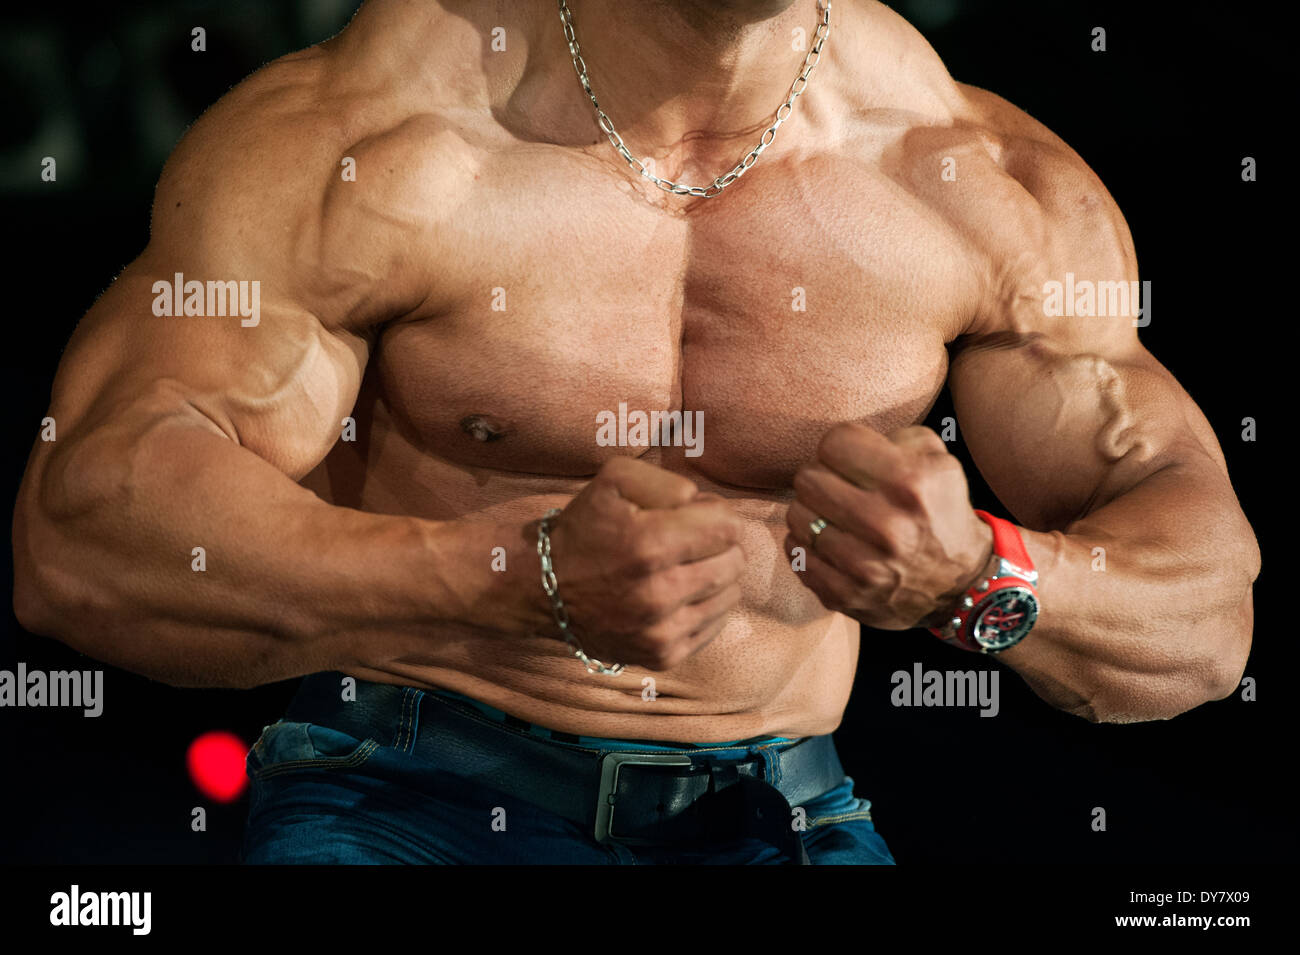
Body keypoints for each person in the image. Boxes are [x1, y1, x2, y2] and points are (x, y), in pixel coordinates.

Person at [12, 0, 1259, 864]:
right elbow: (86, 531)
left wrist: (982, 573)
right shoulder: (375, 140)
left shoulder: (973, 177)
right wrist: (509, 582)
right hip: (407, 792)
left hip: (786, 815)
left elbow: (1205, 624)